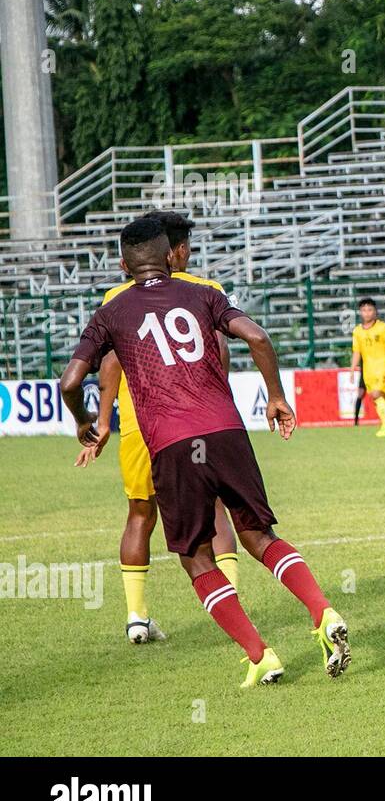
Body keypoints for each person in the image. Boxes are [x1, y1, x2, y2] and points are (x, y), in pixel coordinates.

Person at [60, 217, 352, 687]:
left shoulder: (112, 310)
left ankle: (260, 655)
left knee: (195, 557)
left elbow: (71, 381)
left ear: (122, 264)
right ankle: (322, 611)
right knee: (258, 533)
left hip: (172, 444)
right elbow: (257, 337)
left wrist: (85, 422)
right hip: (227, 431)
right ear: (172, 257)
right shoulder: (202, 293)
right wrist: (276, 397)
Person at [75, 210, 240, 645]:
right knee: (218, 507)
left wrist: (105, 419)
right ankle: (231, 604)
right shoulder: (205, 290)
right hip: (197, 424)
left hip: (138, 428)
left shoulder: (115, 301)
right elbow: (221, 348)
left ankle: (135, 616)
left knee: (139, 515)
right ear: (174, 252)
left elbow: (107, 363)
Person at [351, 297, 385, 437]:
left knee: (376, 394)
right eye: (364, 310)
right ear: (360, 312)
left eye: (370, 309)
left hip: (382, 367)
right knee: (378, 398)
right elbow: (356, 351)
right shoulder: (357, 331)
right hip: (368, 370)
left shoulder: (383, 328)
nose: (367, 313)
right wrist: (352, 368)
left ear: (375, 311)